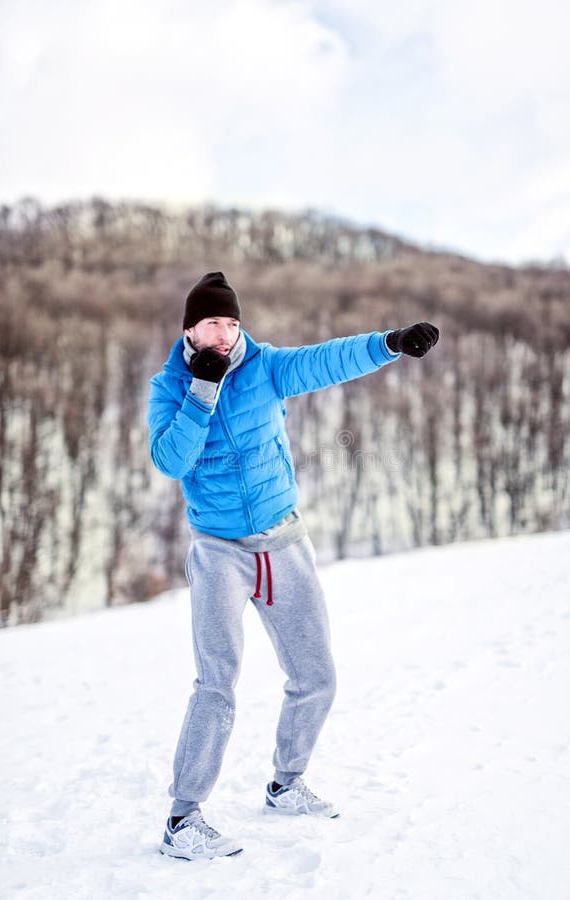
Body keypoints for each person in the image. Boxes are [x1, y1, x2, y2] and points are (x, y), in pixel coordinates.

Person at [148, 271, 439, 860]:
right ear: (190, 329)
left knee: (317, 677)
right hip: (219, 553)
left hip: (284, 542)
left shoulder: (266, 365)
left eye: (232, 321)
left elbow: (327, 361)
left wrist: (390, 342)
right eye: (213, 322)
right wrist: (201, 393)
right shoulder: (168, 387)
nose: (226, 332)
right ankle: (182, 820)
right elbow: (171, 460)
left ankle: (286, 783)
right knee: (216, 685)